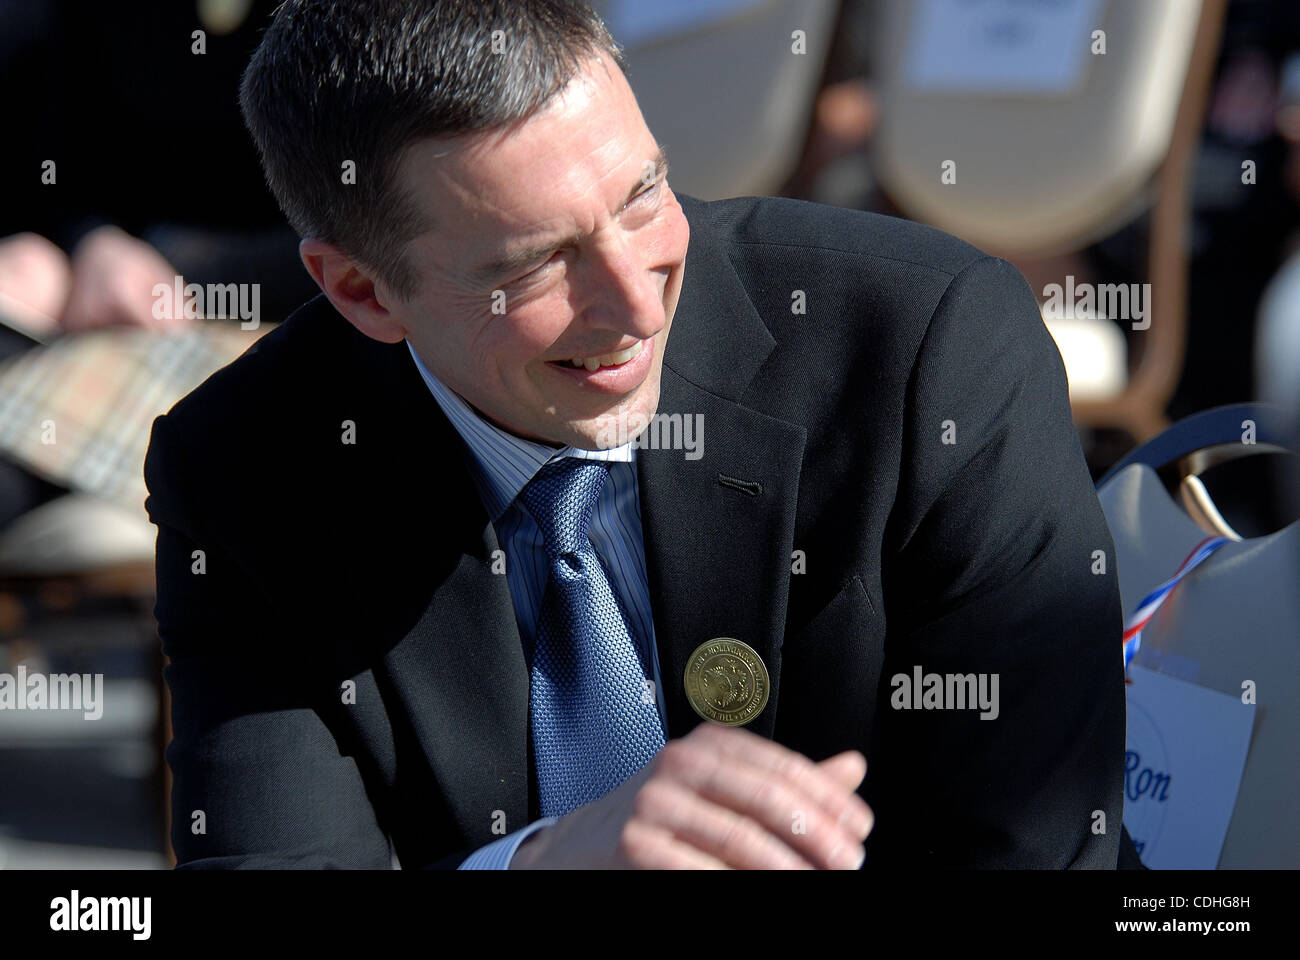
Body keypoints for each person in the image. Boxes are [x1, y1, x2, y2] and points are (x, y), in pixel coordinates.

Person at [144, 0, 1125, 870]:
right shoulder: (246, 469)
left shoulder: (925, 346)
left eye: (642, 194)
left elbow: (1031, 843)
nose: (634, 302)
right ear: (361, 290)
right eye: (536, 265)